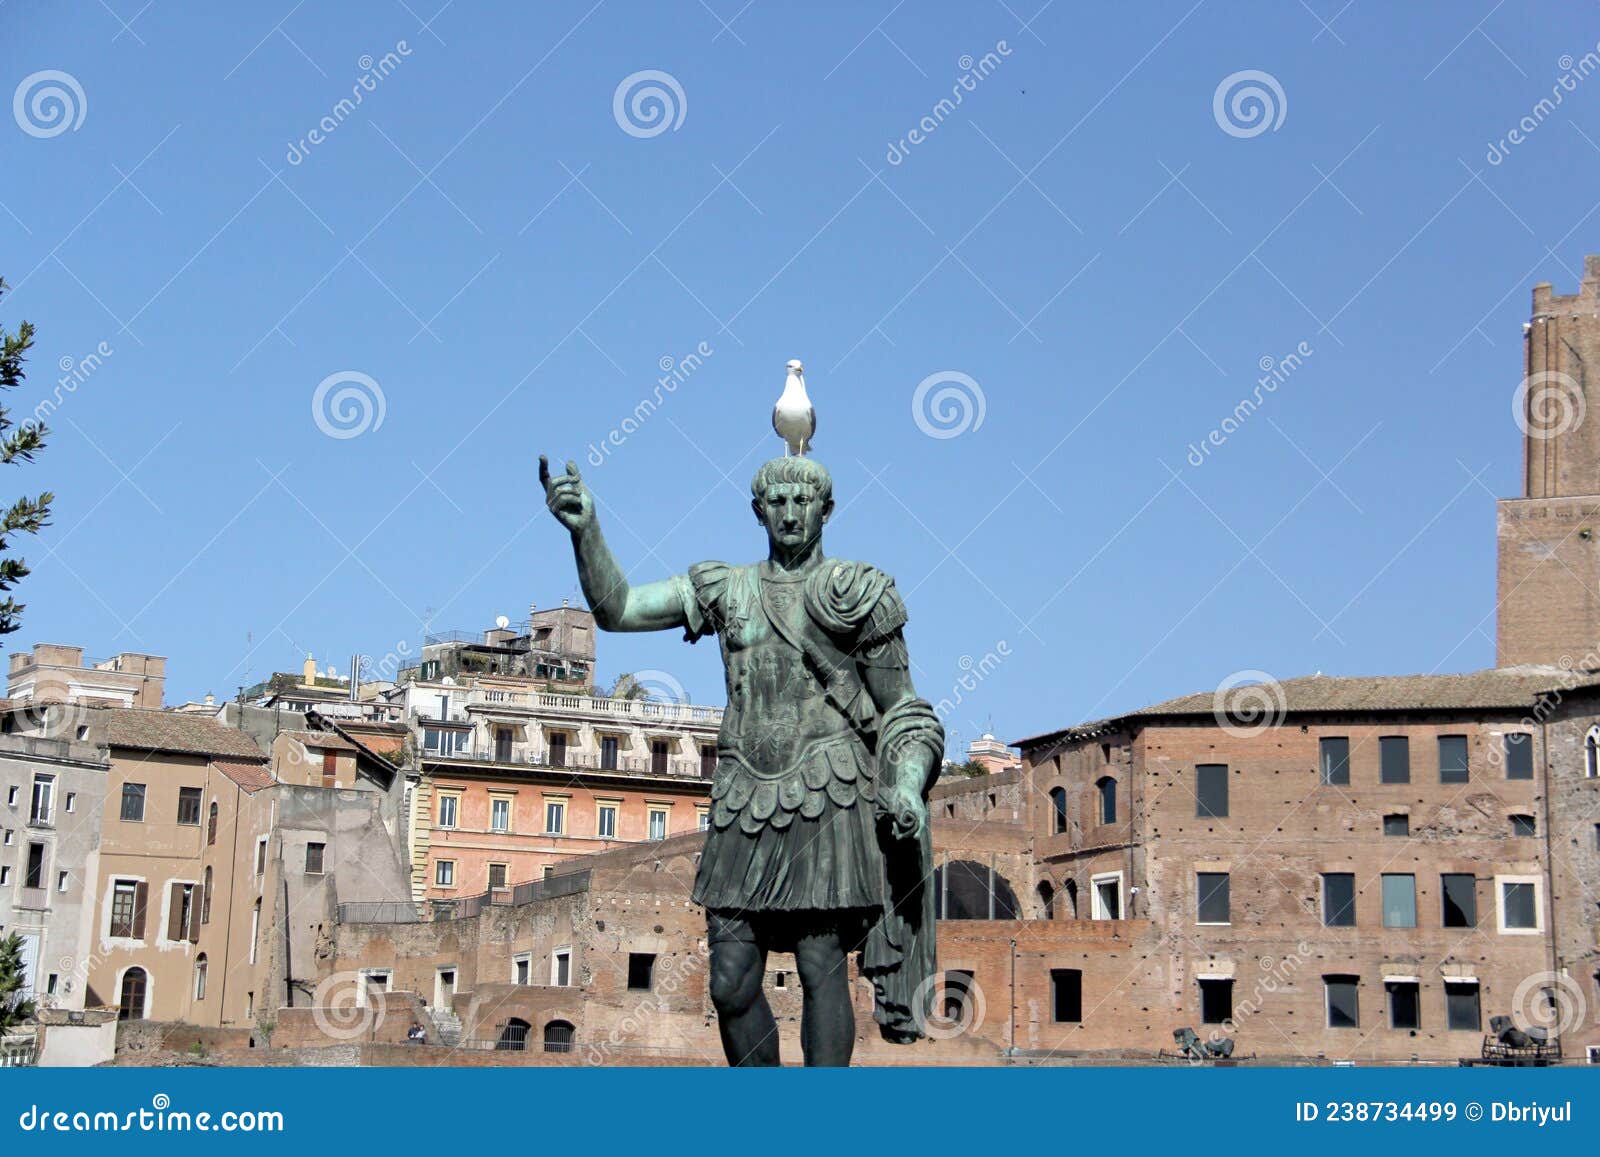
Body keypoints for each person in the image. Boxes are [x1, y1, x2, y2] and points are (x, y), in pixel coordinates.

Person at [540, 453, 944, 1066]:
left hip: (828, 790)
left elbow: (904, 709)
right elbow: (618, 609)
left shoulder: (859, 593)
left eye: (802, 502)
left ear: (827, 510)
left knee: (819, 962)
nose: (790, 514)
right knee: (729, 981)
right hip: (743, 798)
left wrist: (908, 782)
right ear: (759, 511)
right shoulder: (726, 589)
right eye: (777, 502)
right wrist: (586, 531)